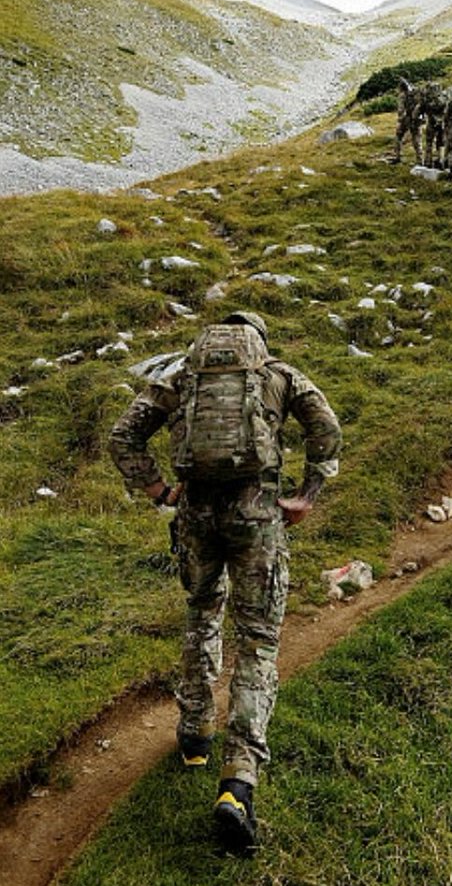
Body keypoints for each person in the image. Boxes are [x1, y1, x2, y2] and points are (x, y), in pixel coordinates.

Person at [109, 311, 342, 854]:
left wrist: (160, 491)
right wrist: (306, 495)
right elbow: (326, 429)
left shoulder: (180, 377)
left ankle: (194, 735)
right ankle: (237, 783)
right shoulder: (278, 375)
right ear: (257, 341)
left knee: (202, 613)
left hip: (195, 517)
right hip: (258, 516)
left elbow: (124, 435)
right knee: (258, 640)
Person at [393, 76, 424, 165]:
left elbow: (401, 109)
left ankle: (398, 156)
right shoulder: (415, 92)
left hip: (407, 119)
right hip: (417, 119)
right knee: (417, 139)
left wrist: (400, 119)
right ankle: (420, 160)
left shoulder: (403, 95)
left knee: (398, 135)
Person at [418, 81, 447, 169]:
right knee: (441, 143)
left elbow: (418, 112)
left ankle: (428, 161)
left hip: (431, 123)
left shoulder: (425, 100)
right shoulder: (443, 98)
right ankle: (440, 161)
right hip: (442, 124)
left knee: (429, 143)